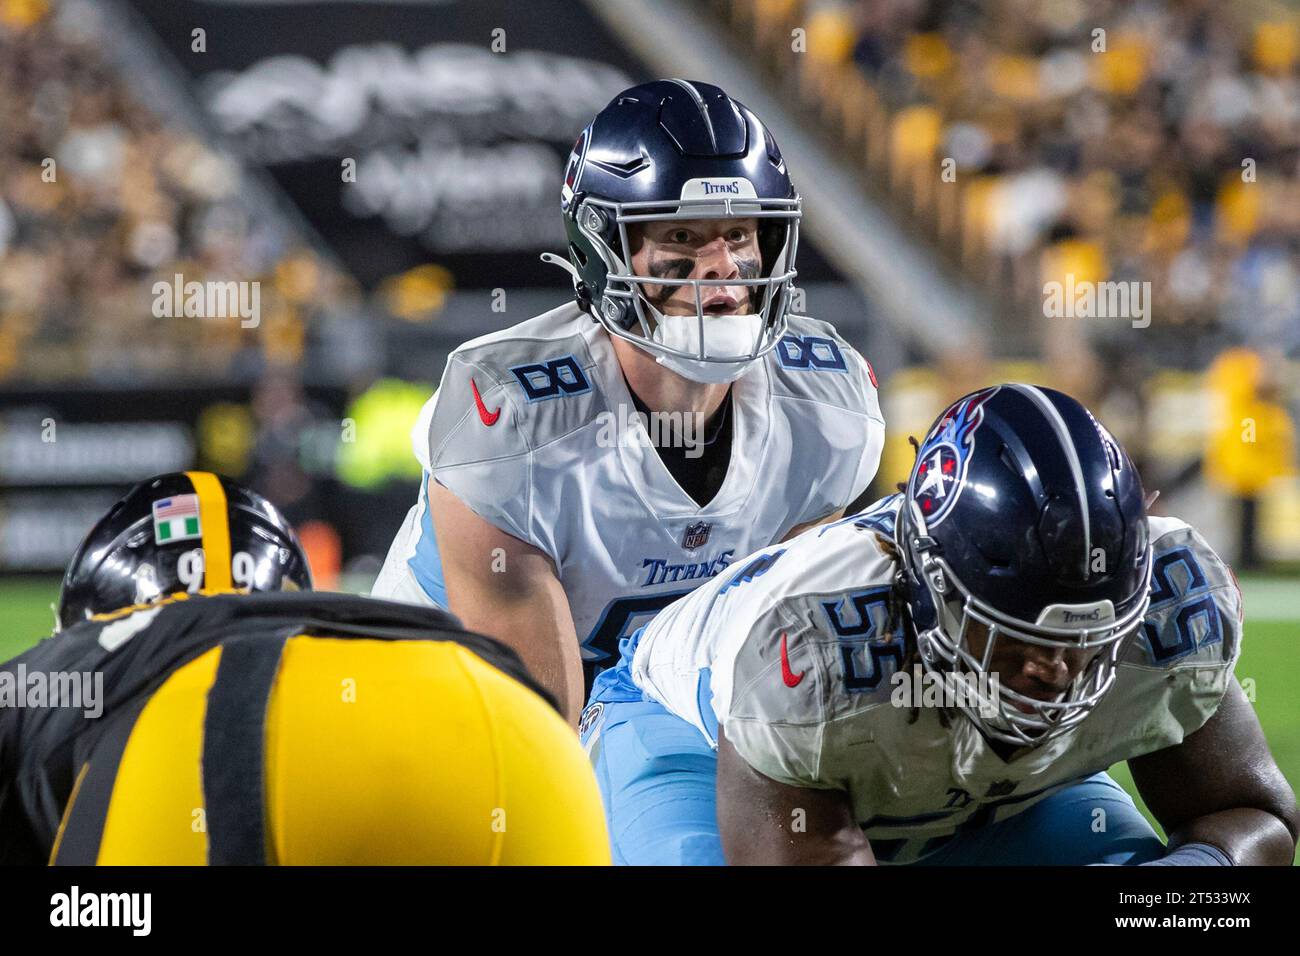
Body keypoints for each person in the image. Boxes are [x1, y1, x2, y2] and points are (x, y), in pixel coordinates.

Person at [581, 385, 1298, 865]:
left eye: (1088, 639)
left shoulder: (1176, 608)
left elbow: (1259, 821)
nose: (1056, 673)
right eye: (1021, 636)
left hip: (969, 785)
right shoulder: (816, 645)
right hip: (695, 734)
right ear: (930, 593)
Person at [373, 80, 885, 721]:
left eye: (738, 233)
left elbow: (794, 677)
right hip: (440, 711)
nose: (722, 267)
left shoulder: (823, 404)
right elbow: (540, 743)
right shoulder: (513, 416)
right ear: (602, 249)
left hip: (662, 726)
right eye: (683, 238)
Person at [0, 471, 608, 865]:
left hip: (208, 754)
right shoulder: (344, 624)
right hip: (522, 736)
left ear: (92, 615)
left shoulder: (90, 665)